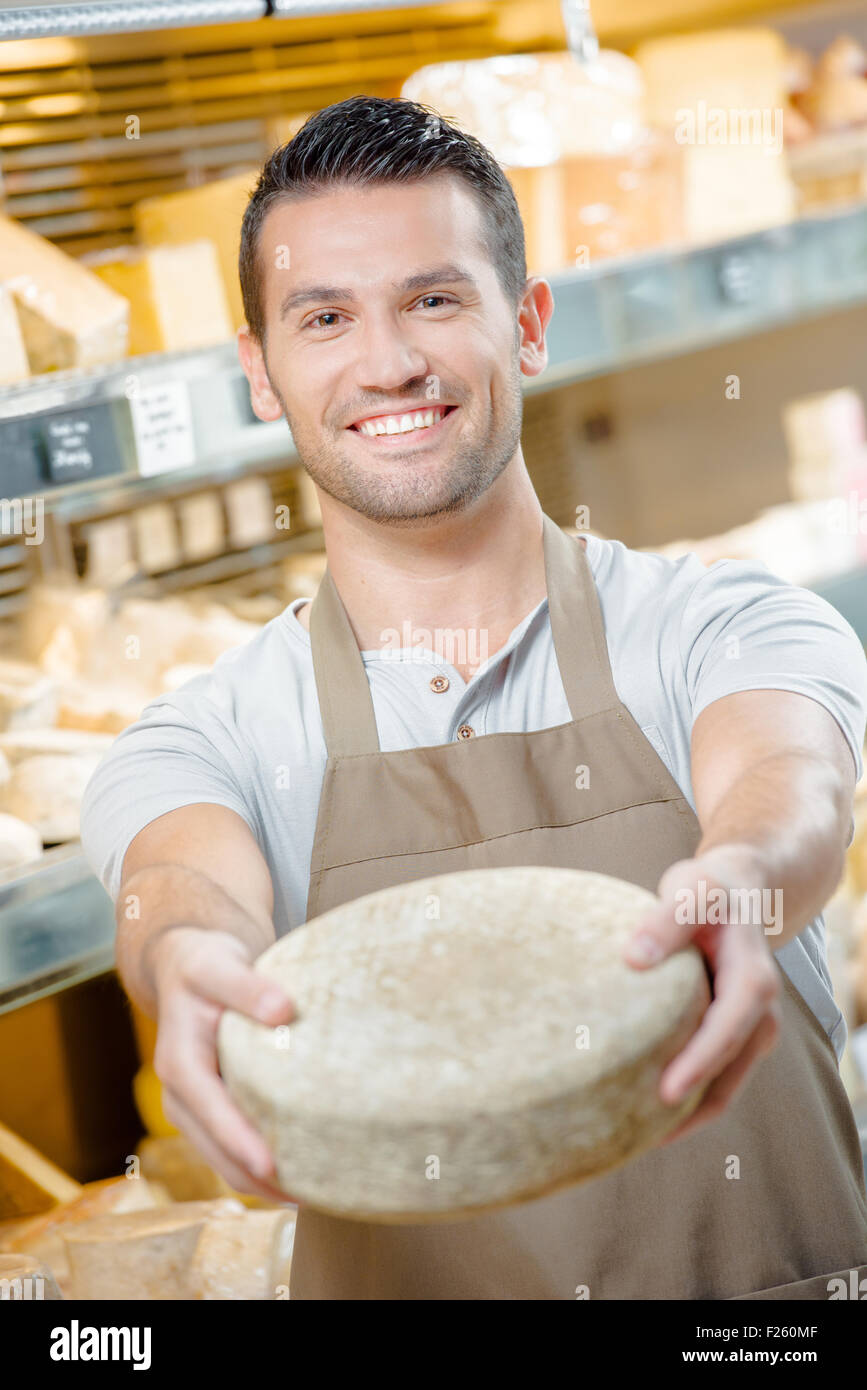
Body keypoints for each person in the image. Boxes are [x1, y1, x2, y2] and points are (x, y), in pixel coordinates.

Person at [81, 95, 867, 1300]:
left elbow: (787, 781)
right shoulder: (215, 734)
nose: (389, 361)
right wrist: (189, 956)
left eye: (434, 299)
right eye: (325, 317)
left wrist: (738, 882)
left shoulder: (717, 624)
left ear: (530, 323)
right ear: (259, 372)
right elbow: (178, 877)